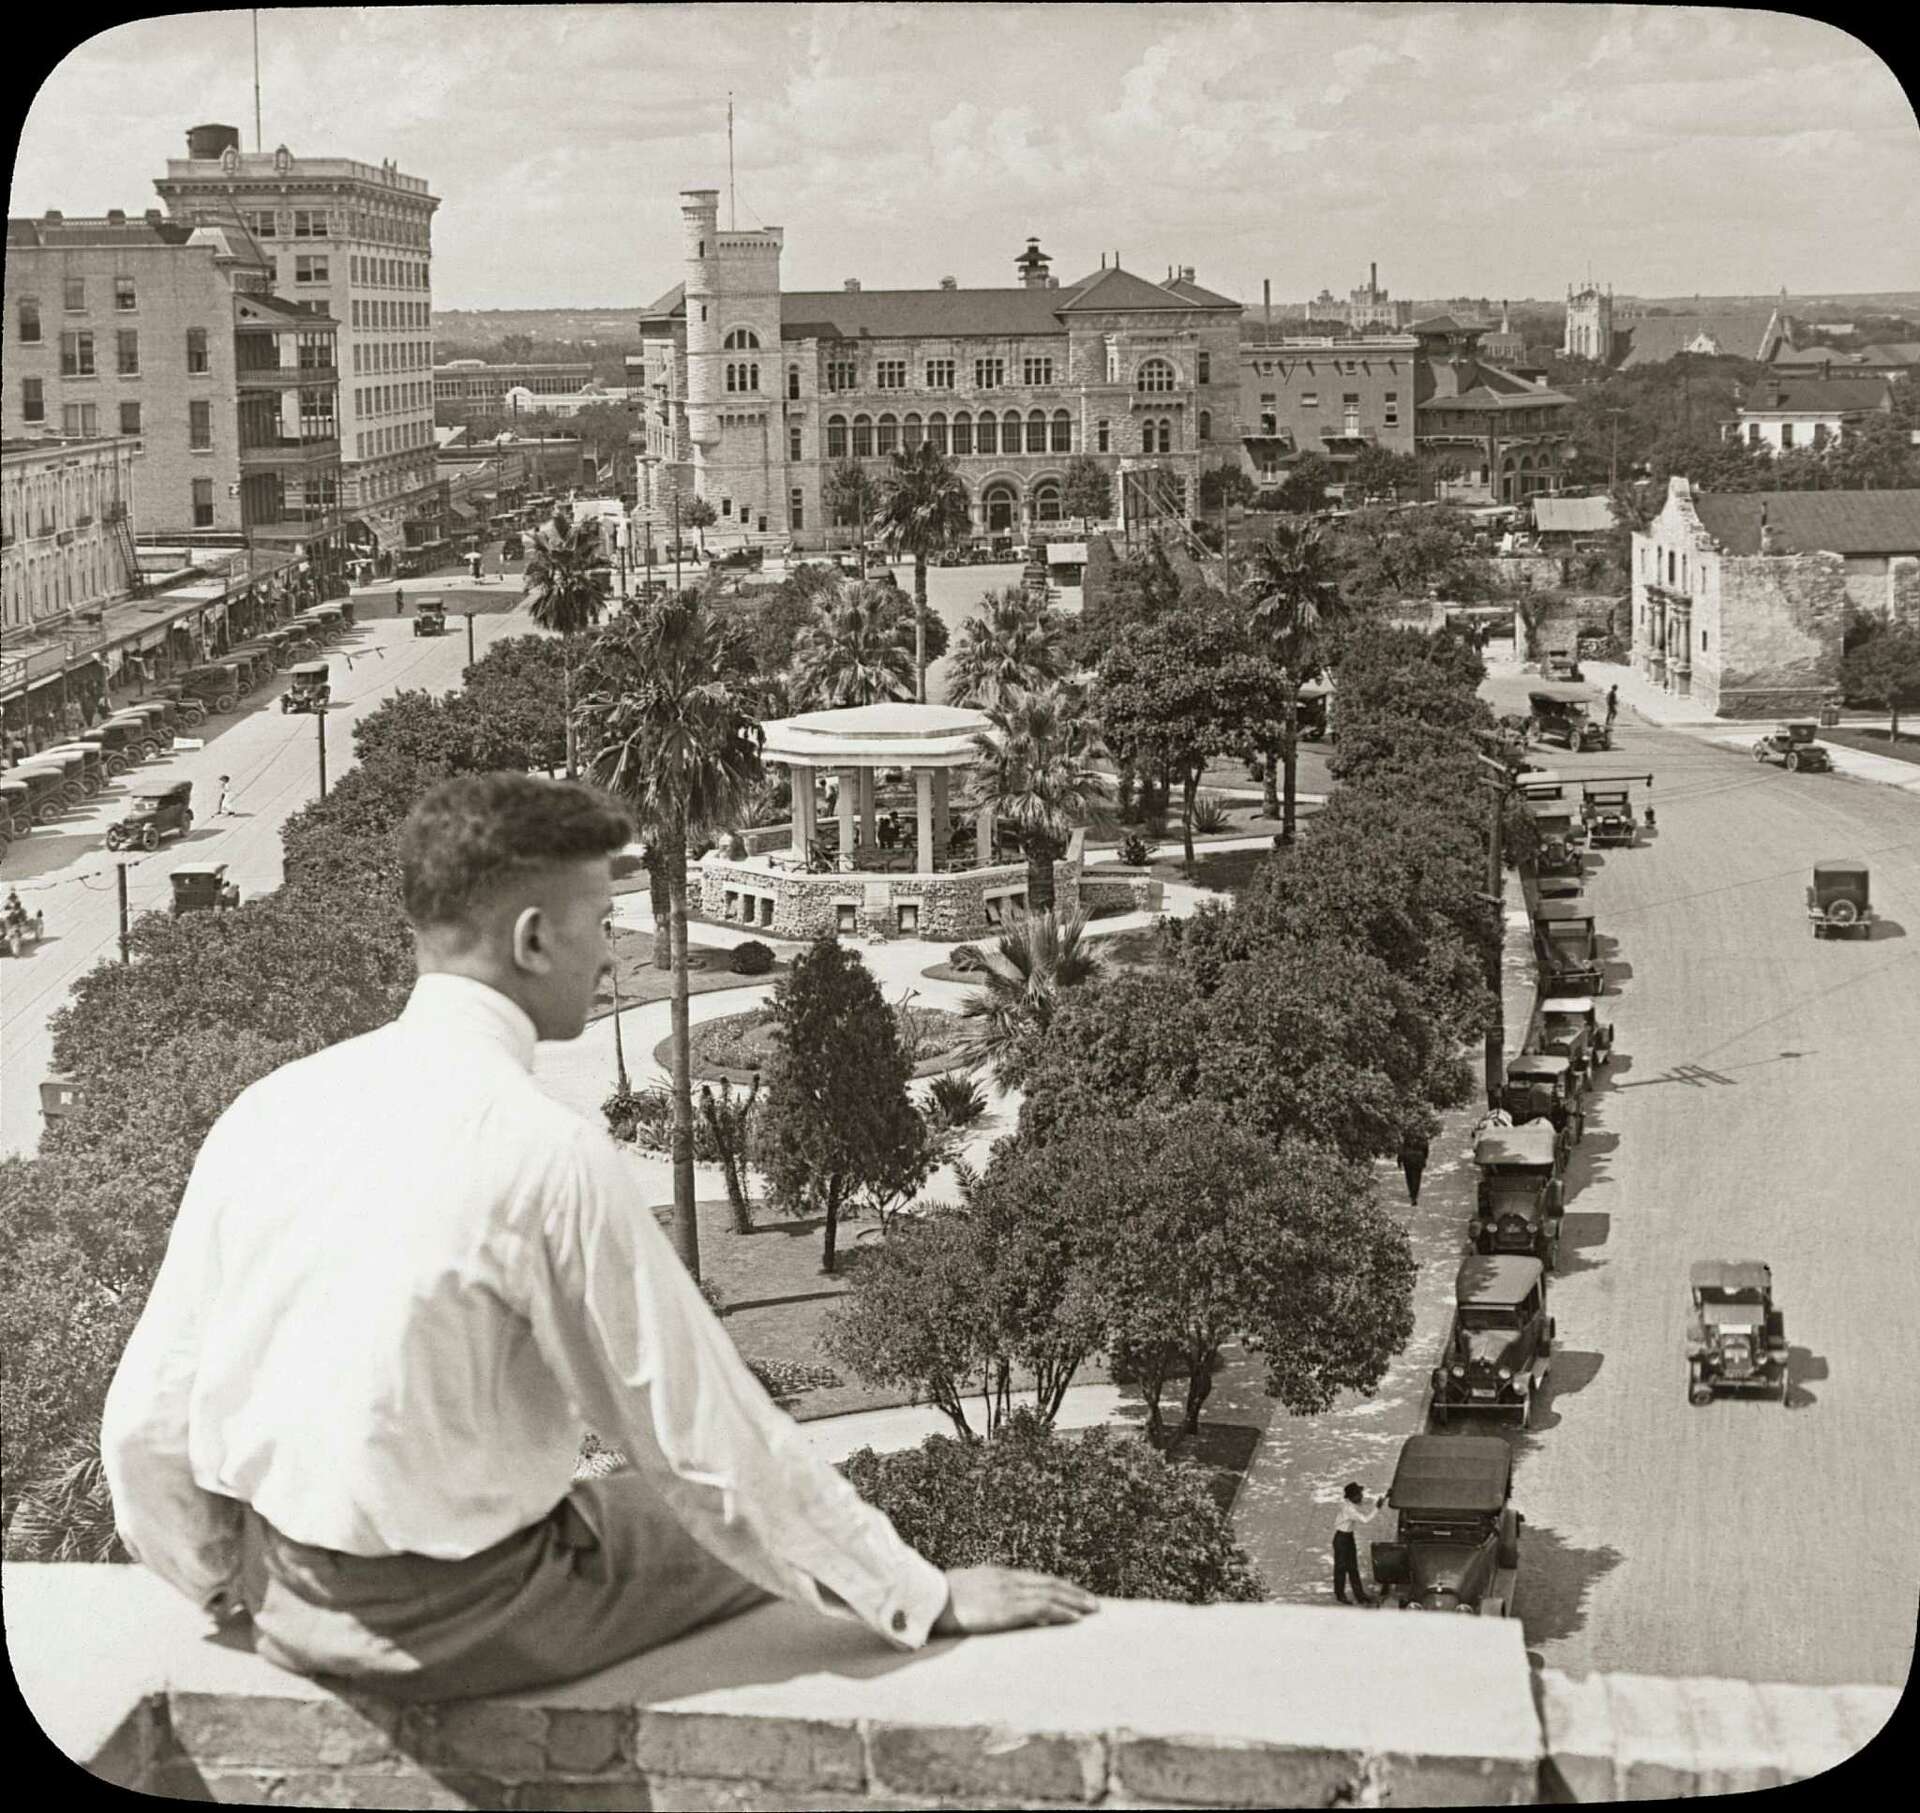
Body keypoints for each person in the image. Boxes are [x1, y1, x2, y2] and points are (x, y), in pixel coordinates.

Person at [101, 774, 1095, 1703]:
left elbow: (143, 1419)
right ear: (534, 939)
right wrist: (919, 1594)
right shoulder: (544, 1152)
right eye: (602, 923)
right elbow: (703, 1434)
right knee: (711, 1525)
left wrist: (219, 1581)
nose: (614, 955)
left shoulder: (272, 1107)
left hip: (288, 1600)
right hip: (457, 1625)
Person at [1332, 1482, 1385, 1606]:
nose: (1361, 1497)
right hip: (1342, 1539)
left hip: (1346, 1537)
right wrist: (1377, 1508)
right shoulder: (1349, 1509)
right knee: (1341, 1568)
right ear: (1352, 1497)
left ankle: (1360, 1595)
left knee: (1352, 1567)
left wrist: (1384, 1496)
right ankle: (1340, 1595)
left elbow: (1364, 1503)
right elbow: (1365, 1519)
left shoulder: (1348, 1503)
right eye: (1359, 1495)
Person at [1398, 1126, 1431, 1207]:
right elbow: (1426, 1148)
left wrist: (1399, 1160)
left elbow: (1402, 1148)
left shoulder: (1407, 1135)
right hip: (1418, 1159)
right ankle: (1414, 1196)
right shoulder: (1422, 1136)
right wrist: (1424, 1158)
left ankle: (1411, 1192)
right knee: (1417, 1178)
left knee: (1409, 1177)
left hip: (1408, 1158)